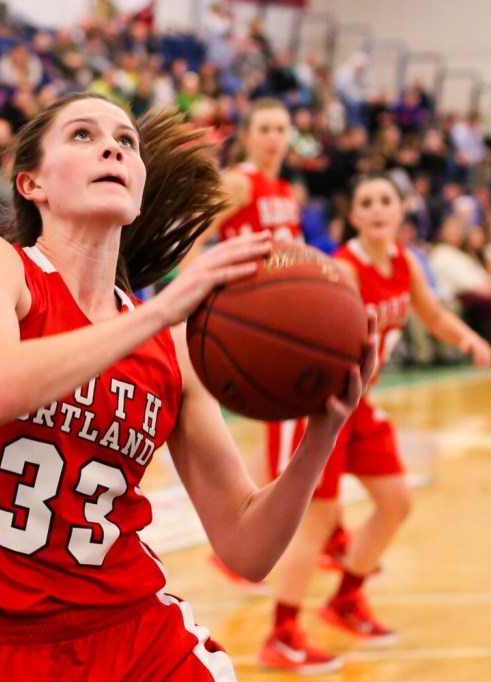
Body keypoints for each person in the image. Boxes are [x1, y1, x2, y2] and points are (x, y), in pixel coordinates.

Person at [0, 92, 377, 680]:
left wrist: (324, 430)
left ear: (136, 189)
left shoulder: (172, 348)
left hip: (135, 629)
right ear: (31, 184)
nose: (111, 145)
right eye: (82, 135)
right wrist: (159, 314)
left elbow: (246, 548)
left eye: (126, 142)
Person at [260, 172, 491, 674]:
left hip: (360, 405)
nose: (378, 208)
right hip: (327, 408)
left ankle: (345, 601)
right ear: (355, 216)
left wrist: (468, 340)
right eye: (367, 202)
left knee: (395, 502)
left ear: (401, 209)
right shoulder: (345, 269)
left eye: (387, 199)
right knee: (318, 523)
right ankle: (281, 634)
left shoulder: (405, 263)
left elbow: (431, 317)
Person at [188, 97, 307, 589]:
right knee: (287, 429)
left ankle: (241, 536)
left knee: (284, 430)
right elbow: (193, 236)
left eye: (282, 128)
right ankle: (284, 538)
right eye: (266, 128)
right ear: (250, 134)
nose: (275, 137)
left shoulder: (285, 189)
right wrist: (201, 291)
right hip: (254, 321)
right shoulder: (238, 181)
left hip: (285, 316)